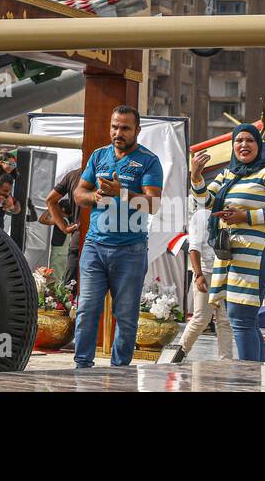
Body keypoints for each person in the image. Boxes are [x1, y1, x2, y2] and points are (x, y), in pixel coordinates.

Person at [187, 124, 265, 362]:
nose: (244, 145)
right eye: (239, 141)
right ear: (233, 145)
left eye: (250, 140)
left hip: (256, 254)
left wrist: (246, 216)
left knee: (240, 316)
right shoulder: (228, 174)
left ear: (259, 145)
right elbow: (207, 202)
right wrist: (196, 177)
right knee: (245, 319)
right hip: (231, 255)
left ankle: (248, 378)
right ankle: (257, 375)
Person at [70, 106, 163, 368]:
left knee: (125, 315)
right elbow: (79, 193)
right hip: (94, 247)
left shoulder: (149, 161)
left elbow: (153, 205)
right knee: (87, 309)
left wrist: (122, 193)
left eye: (124, 128)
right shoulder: (99, 155)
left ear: (137, 131)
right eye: (114, 127)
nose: (117, 133)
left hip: (130, 250)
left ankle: (120, 370)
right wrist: (95, 197)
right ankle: (82, 366)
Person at [175, 201, 234, 361]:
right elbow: (194, 247)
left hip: (226, 272)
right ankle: (178, 354)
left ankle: (226, 361)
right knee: (201, 318)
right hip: (206, 272)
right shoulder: (201, 215)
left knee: (224, 320)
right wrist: (198, 274)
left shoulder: (229, 212)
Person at [43, 165, 83, 288]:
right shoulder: (75, 175)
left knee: (70, 283)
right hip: (99, 238)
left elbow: (50, 200)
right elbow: (50, 202)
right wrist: (63, 226)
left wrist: (64, 227)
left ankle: (66, 301)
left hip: (78, 238)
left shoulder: (73, 175)